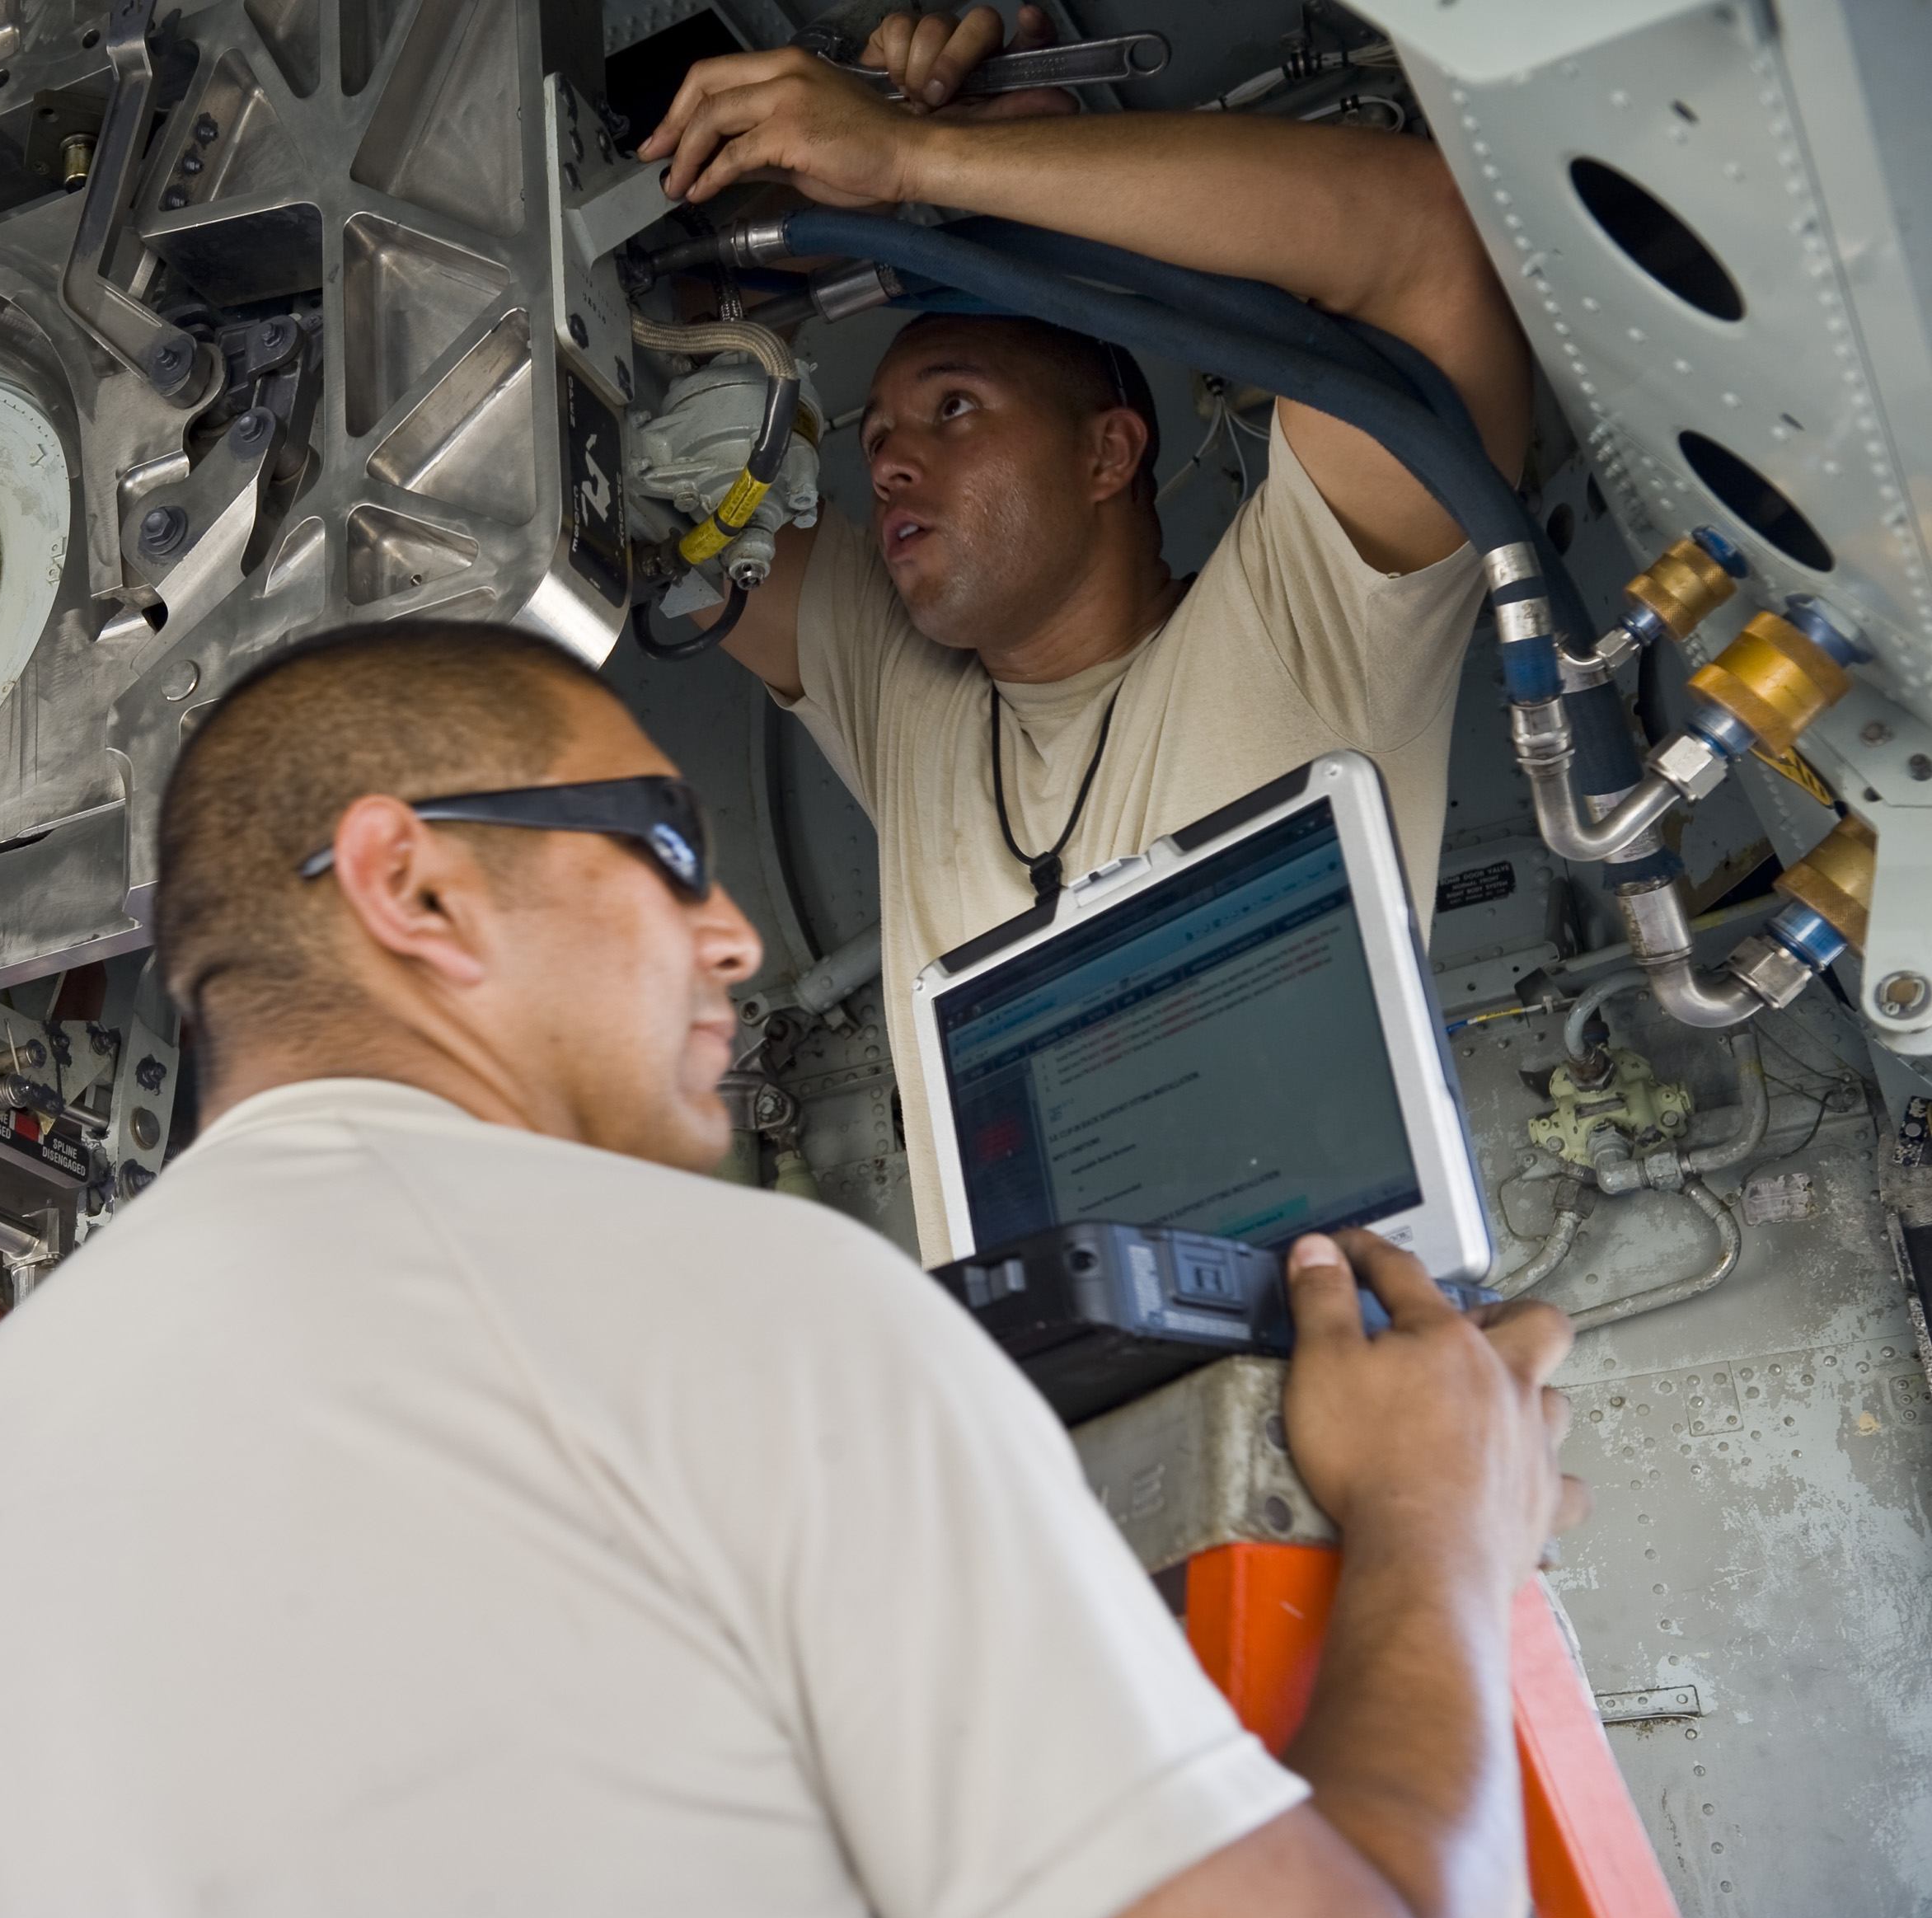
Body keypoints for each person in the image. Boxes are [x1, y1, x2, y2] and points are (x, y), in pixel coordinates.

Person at [0, 621, 1583, 1918]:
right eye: (664, 854)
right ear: (412, 887)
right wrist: (1441, 1527)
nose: (729, 931)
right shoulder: (748, 1313)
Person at [640, 12, 1531, 1260]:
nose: (890, 460)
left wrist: (913, 160)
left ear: (1111, 450)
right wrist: (741, 225)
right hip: (1032, 1438)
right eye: (879, 433)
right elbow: (653, 475)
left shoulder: (1302, 620)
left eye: (954, 406)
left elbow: (1427, 241)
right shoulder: (908, 699)